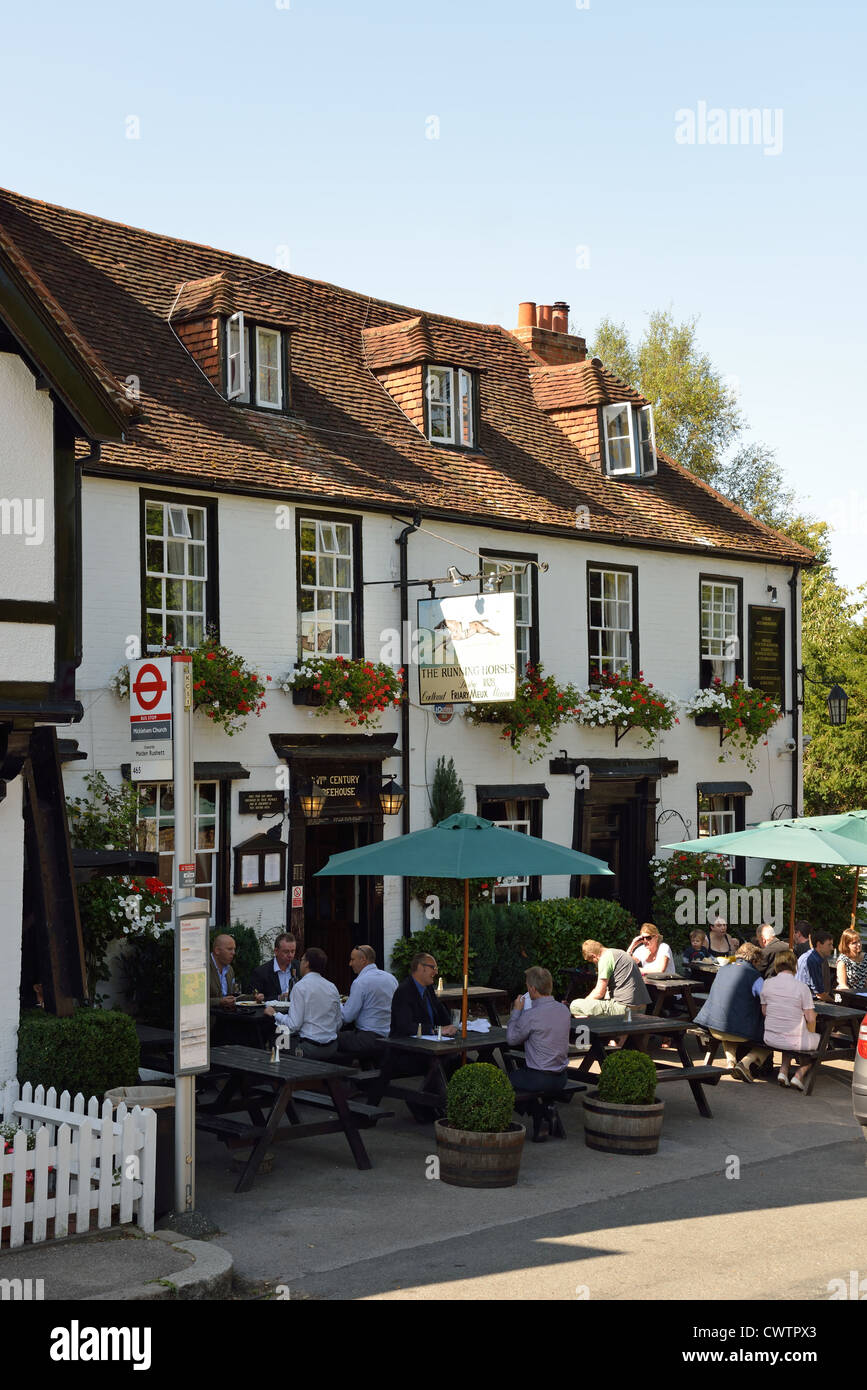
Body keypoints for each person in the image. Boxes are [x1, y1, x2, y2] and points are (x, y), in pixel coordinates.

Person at [506, 967, 571, 1140]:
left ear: (533, 989)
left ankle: (538, 1113)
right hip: (561, 1077)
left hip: (538, 1077)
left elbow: (512, 1039)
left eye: (527, 986)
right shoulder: (564, 1010)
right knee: (523, 1078)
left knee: (503, 1081)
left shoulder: (531, 1015)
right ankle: (544, 1112)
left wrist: (517, 1011)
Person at [693, 942, 770, 1082]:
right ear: (754, 960)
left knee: (727, 1022)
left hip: (713, 1027)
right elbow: (766, 999)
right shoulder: (755, 976)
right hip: (738, 1032)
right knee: (772, 1038)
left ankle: (730, 1062)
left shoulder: (723, 969)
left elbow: (731, 960)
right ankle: (745, 1063)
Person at [265, 947, 341, 1059]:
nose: (300, 963)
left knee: (276, 1038)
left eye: (302, 960)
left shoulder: (300, 987)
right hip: (331, 1047)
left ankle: (278, 1074)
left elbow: (294, 1024)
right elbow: (338, 1021)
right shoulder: (332, 987)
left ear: (307, 964)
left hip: (308, 1049)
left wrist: (275, 1014)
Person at [761, 949, 819, 1091]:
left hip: (770, 1037)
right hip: (792, 1040)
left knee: (788, 1034)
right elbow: (810, 1019)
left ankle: (783, 1071)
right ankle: (799, 1075)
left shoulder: (767, 983)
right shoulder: (801, 987)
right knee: (820, 1044)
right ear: (794, 966)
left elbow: (764, 1012)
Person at [336, 945, 398, 1057]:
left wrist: (338, 1003)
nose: (350, 964)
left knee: (331, 1038)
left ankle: (344, 1073)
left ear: (363, 960)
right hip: (390, 1035)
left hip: (368, 1038)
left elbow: (347, 1016)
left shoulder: (360, 982)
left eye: (352, 959)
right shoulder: (391, 978)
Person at [571, 940, 650, 1017]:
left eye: (592, 961)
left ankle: (589, 1029)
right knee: (596, 1010)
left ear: (593, 956)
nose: (595, 964)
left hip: (625, 1010)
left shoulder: (605, 958)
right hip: (641, 1009)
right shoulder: (620, 953)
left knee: (575, 1006)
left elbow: (599, 992)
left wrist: (585, 1004)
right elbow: (608, 992)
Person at [390, 953, 456, 1037]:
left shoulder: (429, 989)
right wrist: (434, 1030)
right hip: (407, 1046)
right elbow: (405, 1026)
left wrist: (451, 1027)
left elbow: (442, 1015)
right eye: (433, 968)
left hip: (429, 1043)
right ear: (421, 967)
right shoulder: (403, 991)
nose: (436, 972)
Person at [249, 932, 299, 1001]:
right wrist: (279, 998)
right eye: (286, 952)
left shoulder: (298, 967)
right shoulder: (261, 972)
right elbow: (255, 999)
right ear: (276, 951)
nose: (290, 955)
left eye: (293, 951)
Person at [795, 928, 834, 1001]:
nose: (832, 948)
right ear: (819, 944)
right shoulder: (813, 960)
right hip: (805, 1002)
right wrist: (834, 1002)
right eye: (829, 945)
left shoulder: (809, 956)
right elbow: (819, 994)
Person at [209, 934, 238, 1007]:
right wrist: (219, 1001)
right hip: (210, 1016)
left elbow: (234, 994)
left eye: (234, 949)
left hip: (227, 1014)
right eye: (229, 949)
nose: (233, 953)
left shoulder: (229, 969)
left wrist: (253, 997)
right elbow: (197, 1000)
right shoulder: (204, 968)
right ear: (217, 951)